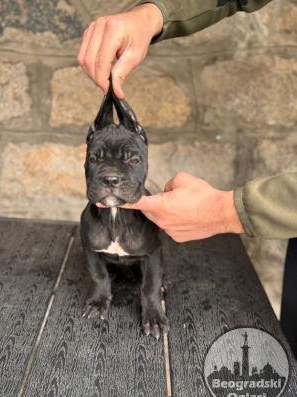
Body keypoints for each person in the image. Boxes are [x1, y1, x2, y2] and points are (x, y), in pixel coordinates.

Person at [78, 0, 297, 356]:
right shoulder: (90, 222)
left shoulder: (144, 225)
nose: (113, 175)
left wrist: (229, 209)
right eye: (100, 159)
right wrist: (154, 13)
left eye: (130, 159)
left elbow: (153, 253)